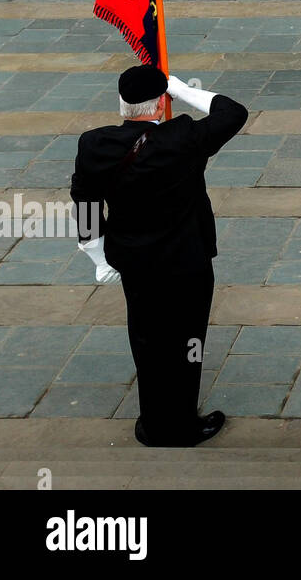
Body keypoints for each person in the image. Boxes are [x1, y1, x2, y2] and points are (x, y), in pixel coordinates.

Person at [71, 65, 248, 447]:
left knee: (147, 338)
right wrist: (183, 89)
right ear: (161, 102)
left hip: (133, 261)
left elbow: (85, 204)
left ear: (122, 104)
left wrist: (97, 257)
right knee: (187, 341)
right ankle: (180, 425)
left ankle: (153, 421)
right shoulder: (182, 137)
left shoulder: (94, 145)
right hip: (186, 260)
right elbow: (233, 112)